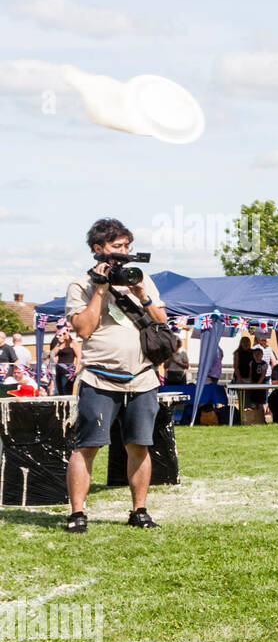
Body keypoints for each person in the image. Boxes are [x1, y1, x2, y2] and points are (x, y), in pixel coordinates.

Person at [63, 218, 167, 532]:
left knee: (139, 446)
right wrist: (100, 290)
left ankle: (139, 511)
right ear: (98, 249)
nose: (124, 252)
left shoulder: (141, 278)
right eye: (117, 246)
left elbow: (162, 319)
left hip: (142, 377)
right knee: (87, 446)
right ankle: (78, 514)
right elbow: (83, 329)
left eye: (127, 246)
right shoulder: (80, 285)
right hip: (98, 377)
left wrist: (140, 293)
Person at [50, 329, 80, 395]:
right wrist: (58, 344)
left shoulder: (72, 343)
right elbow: (52, 354)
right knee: (60, 391)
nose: (62, 336)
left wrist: (77, 368)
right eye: (60, 334)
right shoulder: (60, 344)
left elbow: (79, 356)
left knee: (66, 390)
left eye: (64, 334)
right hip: (59, 370)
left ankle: (68, 405)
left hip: (68, 370)